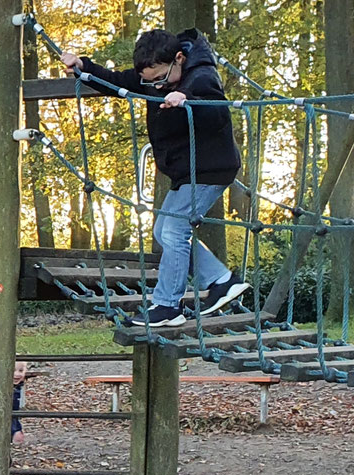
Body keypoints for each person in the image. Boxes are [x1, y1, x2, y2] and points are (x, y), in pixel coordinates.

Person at [61, 28, 246, 326]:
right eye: (149, 81)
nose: (156, 85)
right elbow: (118, 81)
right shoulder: (154, 78)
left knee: (174, 231)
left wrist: (186, 99)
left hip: (210, 168)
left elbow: (217, 113)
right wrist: (84, 67)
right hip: (186, 172)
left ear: (179, 58)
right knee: (164, 232)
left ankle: (168, 306)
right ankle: (221, 280)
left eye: (160, 78)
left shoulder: (201, 77)